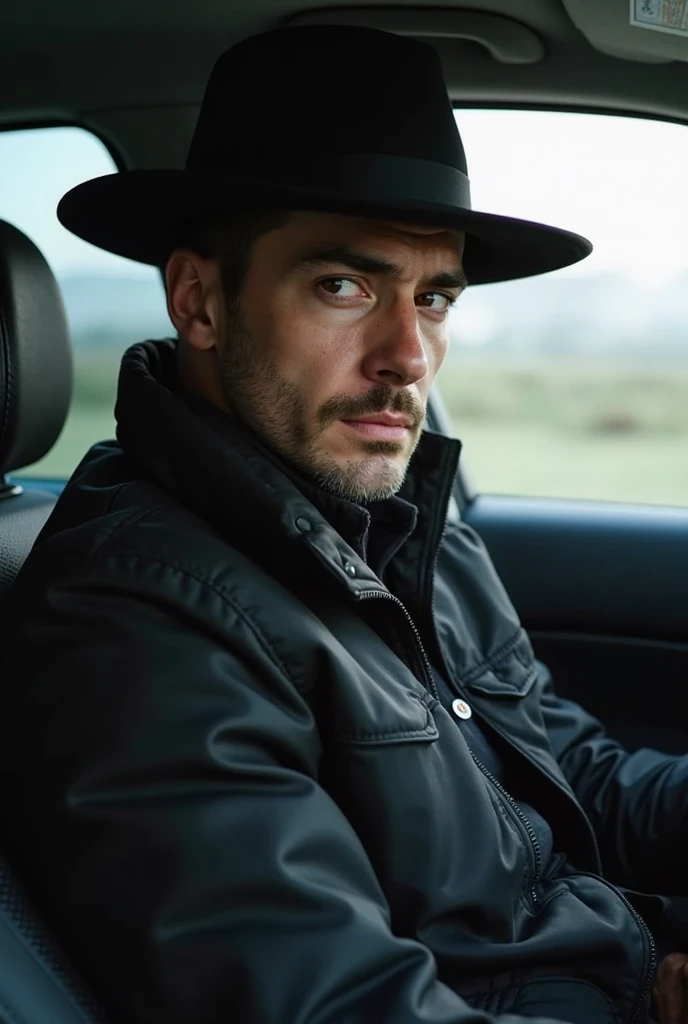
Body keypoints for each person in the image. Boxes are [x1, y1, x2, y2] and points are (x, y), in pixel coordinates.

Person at [1, 23, 687, 1024]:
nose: (408, 354)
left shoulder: (400, 524)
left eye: (435, 297)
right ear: (199, 300)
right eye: (344, 286)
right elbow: (336, 1006)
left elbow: (575, 776)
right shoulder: (131, 615)